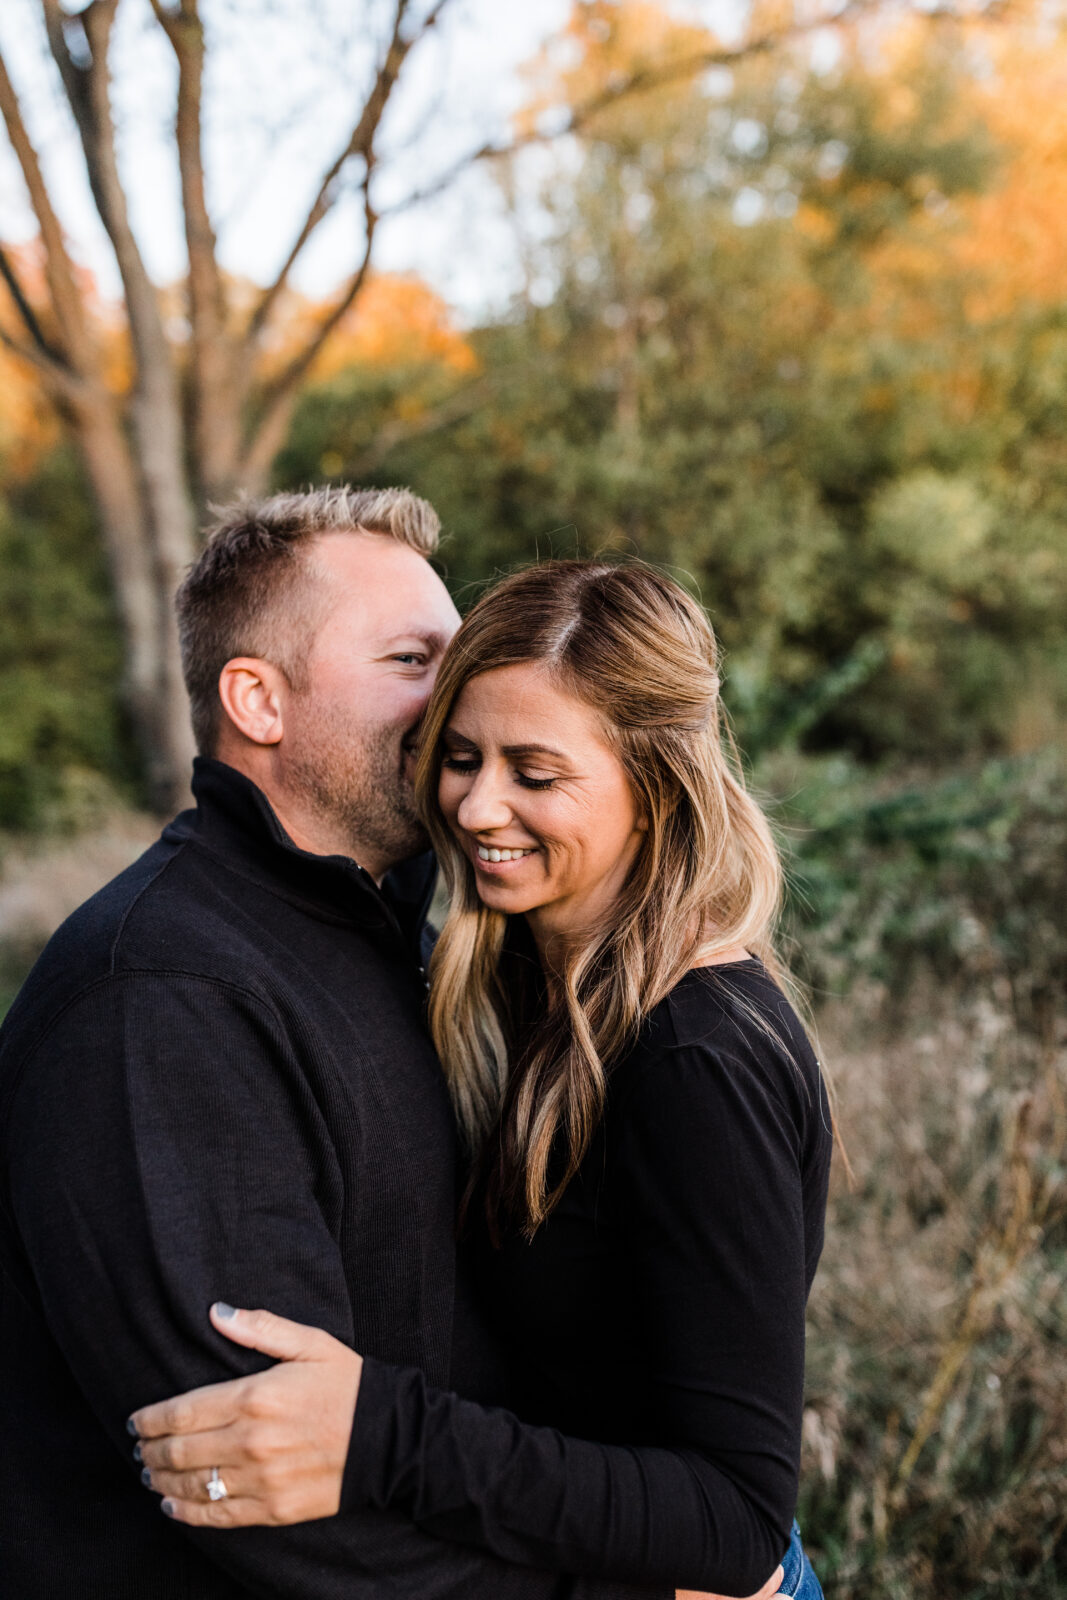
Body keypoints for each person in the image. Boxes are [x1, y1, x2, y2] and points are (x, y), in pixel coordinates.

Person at [0, 492, 689, 1600]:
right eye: (413, 660)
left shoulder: (395, 937)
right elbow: (251, 1488)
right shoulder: (168, 996)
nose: (460, 693)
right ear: (258, 700)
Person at [131, 561, 833, 1599]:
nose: (475, 806)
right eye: (459, 758)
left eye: (534, 775)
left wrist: (379, 1432)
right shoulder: (513, 980)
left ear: (655, 788)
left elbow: (733, 1517)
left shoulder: (696, 1058)